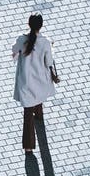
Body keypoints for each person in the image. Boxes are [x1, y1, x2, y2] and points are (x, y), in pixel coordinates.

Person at [12, 12, 59, 153]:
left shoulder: (21, 40)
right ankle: (39, 118)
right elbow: (49, 62)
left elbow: (14, 53)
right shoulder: (45, 42)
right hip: (40, 81)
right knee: (38, 98)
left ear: (29, 24)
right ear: (41, 26)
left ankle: (28, 147)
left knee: (27, 114)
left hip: (26, 82)